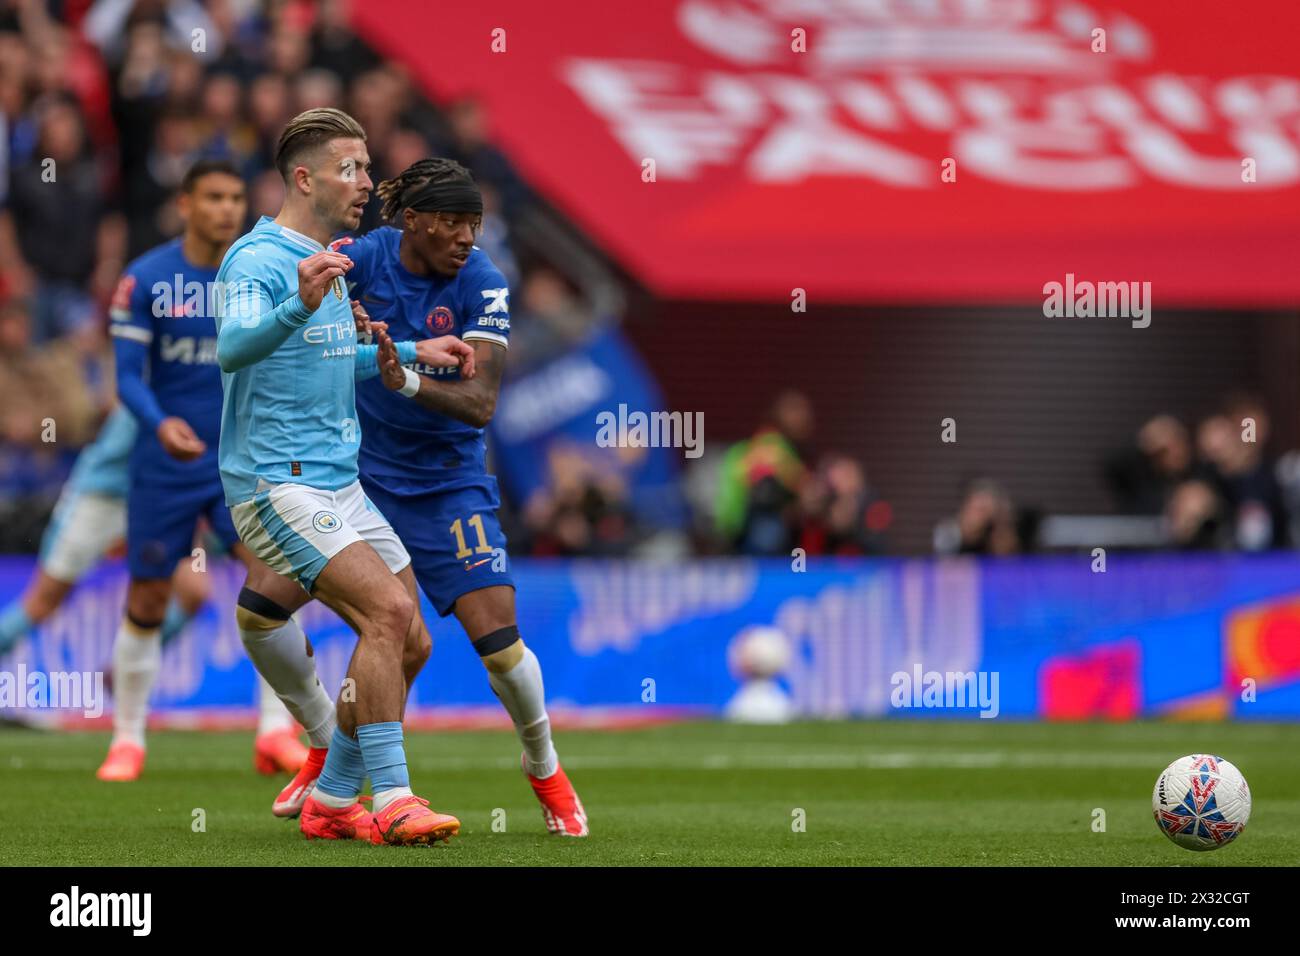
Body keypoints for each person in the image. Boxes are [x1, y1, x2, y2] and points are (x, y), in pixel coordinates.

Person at [215, 108, 474, 844]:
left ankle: (331, 798)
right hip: (277, 482)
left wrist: (422, 351)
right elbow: (233, 347)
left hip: (338, 483)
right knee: (386, 616)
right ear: (305, 177)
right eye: (351, 169)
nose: (367, 182)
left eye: (365, 167)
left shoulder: (325, 260)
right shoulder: (259, 261)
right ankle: (392, 796)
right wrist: (298, 299)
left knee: (413, 640)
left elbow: (328, 359)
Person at [331, 156, 587, 836]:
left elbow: (479, 404)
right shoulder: (362, 257)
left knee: (499, 646)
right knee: (289, 607)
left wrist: (403, 378)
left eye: (474, 223)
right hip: (359, 478)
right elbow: (306, 293)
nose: (466, 236)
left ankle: (543, 763)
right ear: (412, 220)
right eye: (451, 221)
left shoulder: (483, 283)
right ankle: (325, 774)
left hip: (447, 482)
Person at [97, 158, 307, 782]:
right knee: (150, 594)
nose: (225, 209)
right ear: (185, 204)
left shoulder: (265, 272)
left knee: (273, 582)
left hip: (242, 458)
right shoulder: (147, 279)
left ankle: (274, 732)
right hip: (164, 460)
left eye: (235, 197)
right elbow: (128, 378)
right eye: (213, 197)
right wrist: (160, 424)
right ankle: (128, 740)